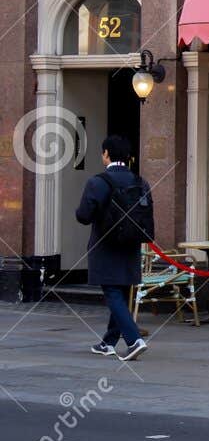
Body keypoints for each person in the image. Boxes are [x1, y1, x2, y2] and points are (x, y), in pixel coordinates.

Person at [75, 135, 149, 361]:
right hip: (130, 245)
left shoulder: (97, 181)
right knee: (122, 292)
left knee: (112, 293)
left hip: (105, 245)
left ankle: (134, 340)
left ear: (106, 153)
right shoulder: (140, 182)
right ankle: (108, 342)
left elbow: (84, 216)